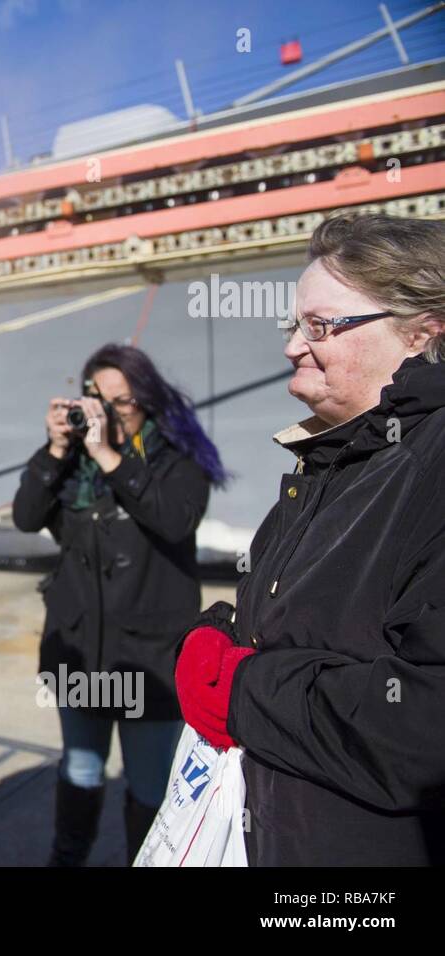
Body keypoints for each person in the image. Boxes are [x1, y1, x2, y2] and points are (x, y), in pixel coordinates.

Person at [177, 214, 445, 866]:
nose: (293, 347)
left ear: (422, 333)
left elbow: (424, 725)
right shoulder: (337, 461)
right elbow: (312, 623)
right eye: (294, 325)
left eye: (321, 326)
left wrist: (239, 692)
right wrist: (216, 629)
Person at [13, 344, 225, 865]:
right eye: (95, 399)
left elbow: (174, 520)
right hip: (80, 650)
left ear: (146, 400)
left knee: (151, 784)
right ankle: (67, 858)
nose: (107, 411)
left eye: (122, 401)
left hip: (149, 657)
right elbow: (24, 516)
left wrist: (110, 456)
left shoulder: (177, 460)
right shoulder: (72, 463)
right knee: (80, 770)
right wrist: (58, 450)